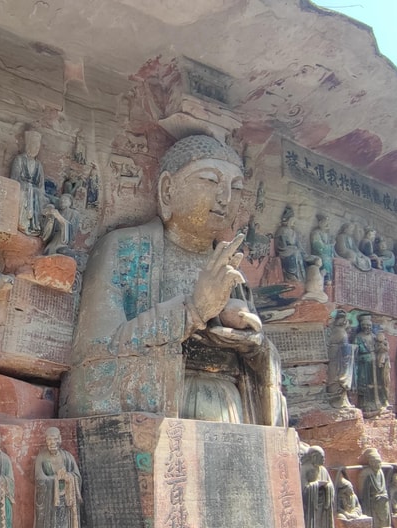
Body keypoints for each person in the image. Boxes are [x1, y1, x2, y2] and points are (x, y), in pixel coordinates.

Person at [62, 134, 285, 426]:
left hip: (230, 406)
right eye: (209, 180)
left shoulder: (229, 267)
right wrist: (193, 311)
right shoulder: (123, 248)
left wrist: (253, 344)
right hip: (163, 406)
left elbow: (260, 366)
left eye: (236, 188)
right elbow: (93, 356)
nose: (225, 198)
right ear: (167, 190)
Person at [28, 427, 85, 528]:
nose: (52, 442)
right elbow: (39, 477)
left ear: (59, 440)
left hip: (66, 499)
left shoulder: (67, 457)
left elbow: (77, 476)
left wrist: (68, 477)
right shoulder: (42, 456)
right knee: (48, 526)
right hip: (49, 499)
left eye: (54, 439)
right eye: (49, 439)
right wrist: (54, 479)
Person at [300, 445, 335, 528]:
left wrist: (327, 487)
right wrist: (315, 485)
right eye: (321, 457)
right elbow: (302, 489)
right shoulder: (304, 469)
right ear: (314, 457)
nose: (324, 460)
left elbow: (331, 486)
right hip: (310, 508)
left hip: (323, 507)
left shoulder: (323, 470)